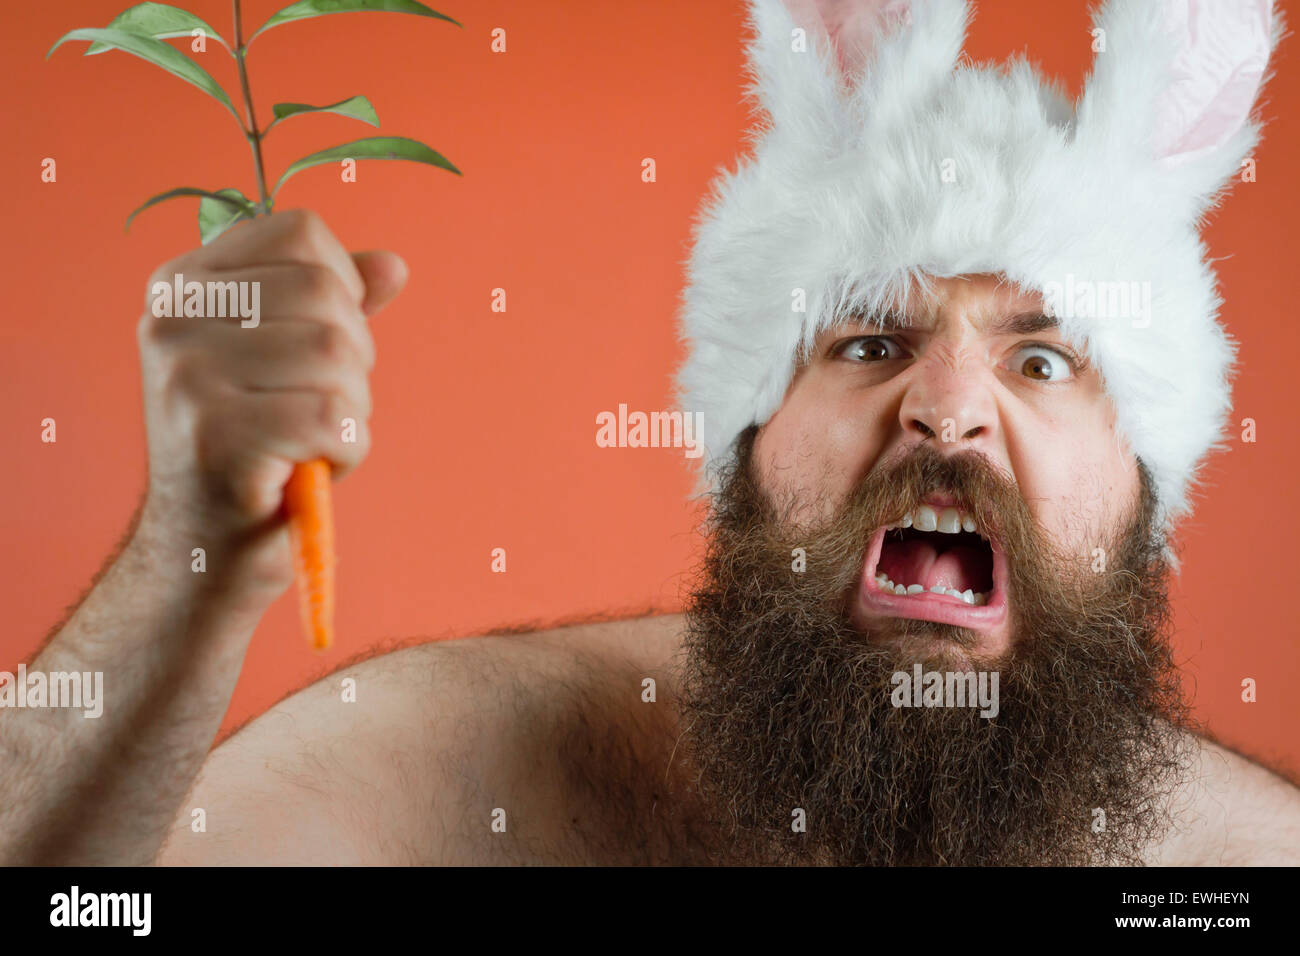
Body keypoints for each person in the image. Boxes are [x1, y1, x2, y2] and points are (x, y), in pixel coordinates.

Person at [4, 0, 1298, 866]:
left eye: (1042, 356)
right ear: (744, 449)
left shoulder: (1240, 871)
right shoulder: (459, 772)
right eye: (864, 341)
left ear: (1142, 486)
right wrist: (190, 562)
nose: (947, 408)